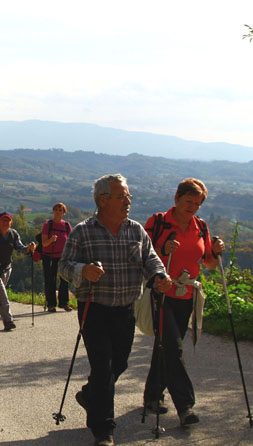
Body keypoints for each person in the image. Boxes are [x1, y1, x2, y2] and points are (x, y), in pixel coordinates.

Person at [59, 174, 171, 446]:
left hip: (125, 310)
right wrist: (82, 270)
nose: (128, 201)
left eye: (128, 196)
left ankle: (89, 395)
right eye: (122, 196)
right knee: (104, 365)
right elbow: (63, 266)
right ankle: (104, 430)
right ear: (103, 200)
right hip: (94, 310)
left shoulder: (135, 230)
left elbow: (151, 259)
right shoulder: (83, 231)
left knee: (118, 364)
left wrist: (159, 276)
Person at [141, 178, 225, 425]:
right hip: (161, 292)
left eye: (197, 204)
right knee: (173, 347)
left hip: (187, 295)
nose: (193, 207)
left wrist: (217, 251)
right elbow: (142, 254)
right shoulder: (158, 222)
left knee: (166, 347)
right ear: (176, 198)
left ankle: (152, 396)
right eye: (189, 201)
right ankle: (185, 406)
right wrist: (163, 249)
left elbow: (208, 262)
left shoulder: (201, 226)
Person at [0, 212, 35, 331]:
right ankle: (8, 320)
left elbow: (20, 249)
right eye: (3, 220)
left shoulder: (13, 234)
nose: (5, 223)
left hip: (7, 267)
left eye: (7, 220)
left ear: (11, 223)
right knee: (1, 293)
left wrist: (29, 249)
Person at [41, 203, 73, 312]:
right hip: (49, 256)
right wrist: (51, 240)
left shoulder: (67, 226)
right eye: (56, 209)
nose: (58, 211)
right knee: (50, 280)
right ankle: (51, 304)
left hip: (63, 257)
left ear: (64, 213)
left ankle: (64, 303)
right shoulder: (48, 225)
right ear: (53, 211)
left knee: (65, 279)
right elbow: (44, 243)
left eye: (60, 210)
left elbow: (71, 241)